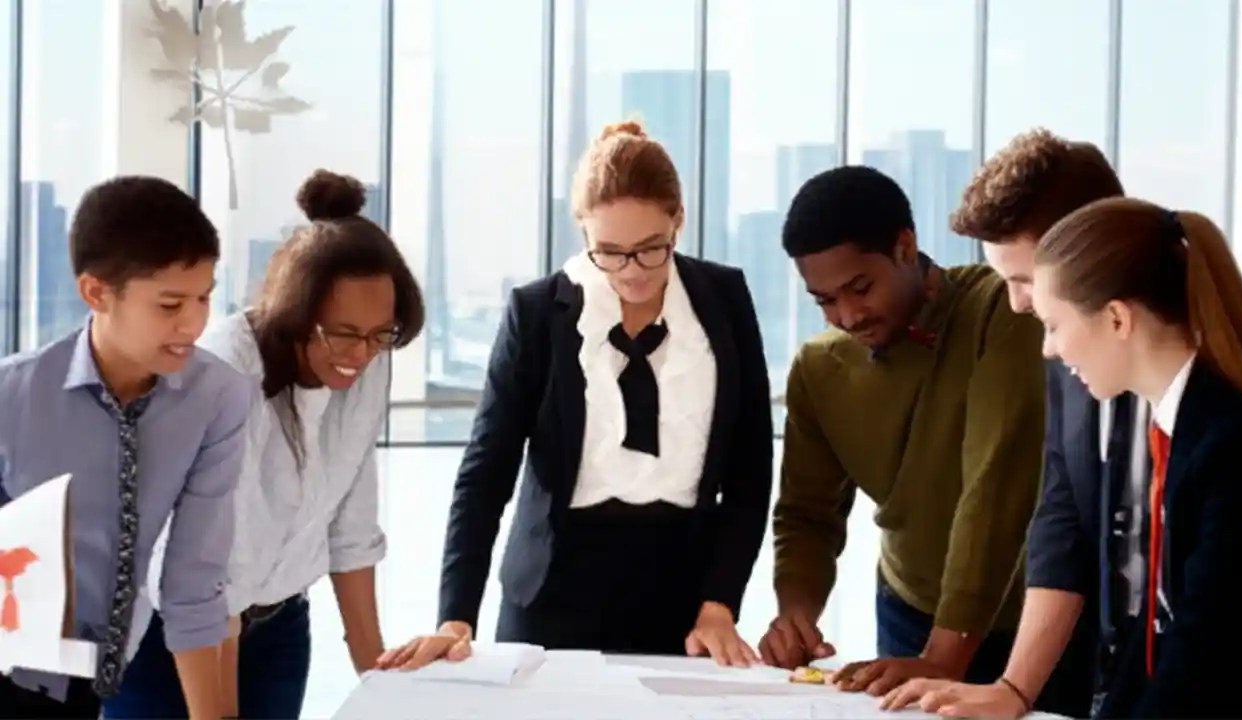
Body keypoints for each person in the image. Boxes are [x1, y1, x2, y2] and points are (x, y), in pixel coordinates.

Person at [882, 128, 1242, 719]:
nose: (1019, 305)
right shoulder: (1078, 357)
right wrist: (1014, 689)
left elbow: (1213, 631)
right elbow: (1061, 519)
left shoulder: (1235, 387)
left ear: (1088, 247)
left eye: (1026, 281)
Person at [377, 120, 773, 669]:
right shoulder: (538, 313)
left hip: (685, 601)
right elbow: (487, 471)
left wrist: (721, 600)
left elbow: (751, 470)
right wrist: (456, 616)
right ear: (583, 232)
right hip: (552, 593)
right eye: (608, 252)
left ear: (678, 222)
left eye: (650, 249)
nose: (631, 272)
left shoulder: (724, 299)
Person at [103, 170, 425, 720]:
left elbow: (351, 530)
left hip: (278, 625)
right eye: (344, 333)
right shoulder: (224, 375)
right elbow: (205, 577)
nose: (363, 353)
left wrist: (378, 682)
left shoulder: (366, 360)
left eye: (381, 334)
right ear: (298, 314)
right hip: (166, 632)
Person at [759, 165, 1046, 695]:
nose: (848, 315)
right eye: (825, 301)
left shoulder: (1002, 309)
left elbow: (996, 488)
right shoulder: (818, 369)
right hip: (907, 613)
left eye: (860, 288)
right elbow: (806, 514)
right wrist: (795, 615)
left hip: (1034, 625)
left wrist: (942, 660)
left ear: (906, 247)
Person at [0, 176, 252, 719]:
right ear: (96, 293)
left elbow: (193, 578)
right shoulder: (11, 396)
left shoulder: (219, 398)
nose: (194, 323)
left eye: (204, 297)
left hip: (91, 677)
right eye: (170, 304)